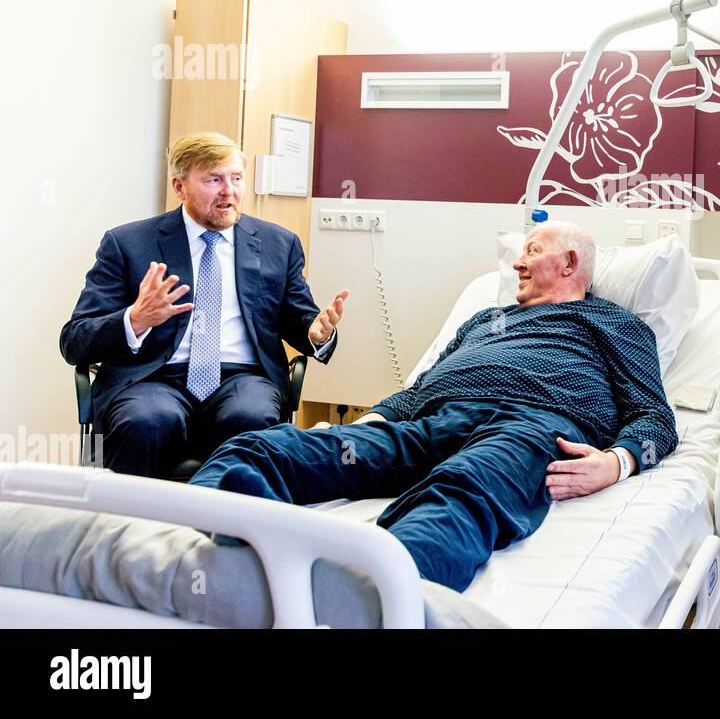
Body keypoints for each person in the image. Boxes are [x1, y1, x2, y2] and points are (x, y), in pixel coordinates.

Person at [190, 221, 679, 592]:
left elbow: (654, 417)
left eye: (532, 252)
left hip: (531, 427)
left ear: (570, 264)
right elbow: (419, 388)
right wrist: (366, 426)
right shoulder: (485, 319)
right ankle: (203, 548)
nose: (517, 264)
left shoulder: (612, 323)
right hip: (431, 421)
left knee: (462, 489)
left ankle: (365, 597)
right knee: (262, 449)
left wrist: (616, 463)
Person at [60, 133, 348, 479]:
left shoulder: (278, 244)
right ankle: (133, 527)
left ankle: (232, 530)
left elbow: (298, 318)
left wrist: (316, 334)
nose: (229, 191)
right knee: (146, 420)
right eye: (214, 180)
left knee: (251, 418)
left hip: (243, 376)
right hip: (152, 376)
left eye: (236, 178)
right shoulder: (128, 244)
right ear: (179, 187)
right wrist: (135, 320)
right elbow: (74, 341)